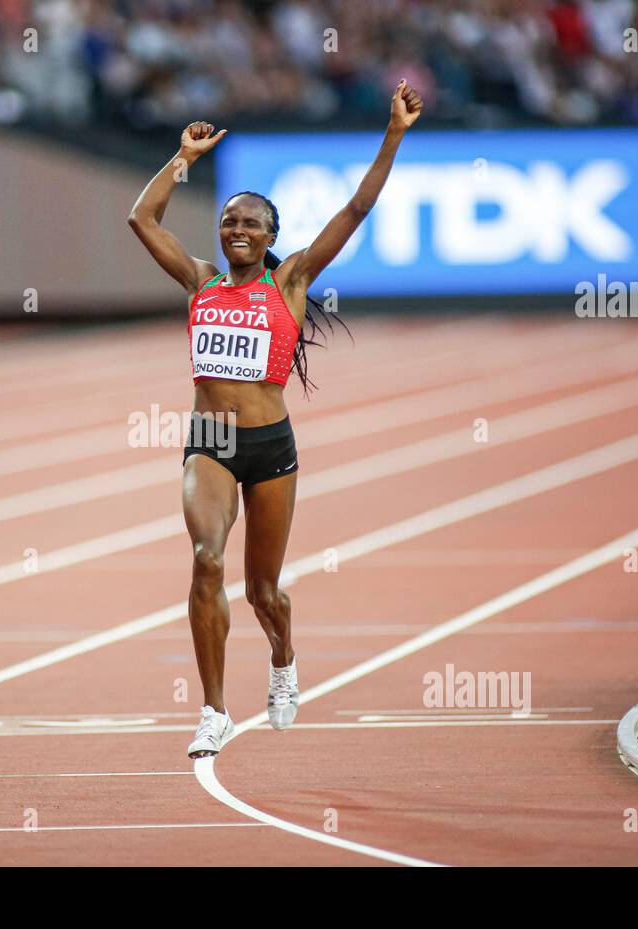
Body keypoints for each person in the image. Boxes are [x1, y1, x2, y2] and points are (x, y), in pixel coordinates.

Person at [127, 81, 424, 757]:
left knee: (264, 592)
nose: (236, 231)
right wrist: (182, 162)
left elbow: (357, 206)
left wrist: (394, 133)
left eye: (250, 224)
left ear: (270, 238)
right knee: (206, 560)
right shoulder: (199, 278)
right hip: (209, 439)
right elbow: (142, 221)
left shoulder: (289, 282)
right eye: (229, 221)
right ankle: (213, 710)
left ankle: (284, 660)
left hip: (270, 447)